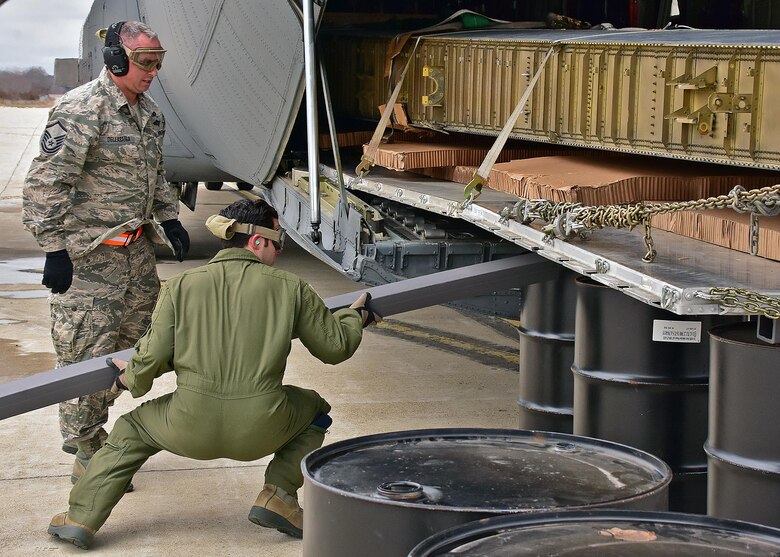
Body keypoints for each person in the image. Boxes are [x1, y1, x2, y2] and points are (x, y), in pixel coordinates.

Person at [47, 198, 380, 549]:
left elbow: (152, 355)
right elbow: (335, 348)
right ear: (257, 241)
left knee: (130, 430)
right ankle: (279, 496)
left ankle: (81, 518)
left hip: (186, 427)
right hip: (262, 429)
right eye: (278, 240)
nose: (281, 250)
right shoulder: (291, 287)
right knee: (316, 412)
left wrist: (131, 378)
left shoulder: (181, 285)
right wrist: (354, 317)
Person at [21, 21, 190, 488]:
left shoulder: (149, 113)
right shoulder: (81, 109)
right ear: (116, 59)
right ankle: (86, 446)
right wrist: (54, 249)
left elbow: (156, 174)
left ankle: (92, 424)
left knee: (139, 348)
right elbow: (46, 183)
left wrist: (169, 218)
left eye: (158, 62)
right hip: (89, 261)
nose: (153, 71)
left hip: (135, 255)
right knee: (84, 354)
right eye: (144, 62)